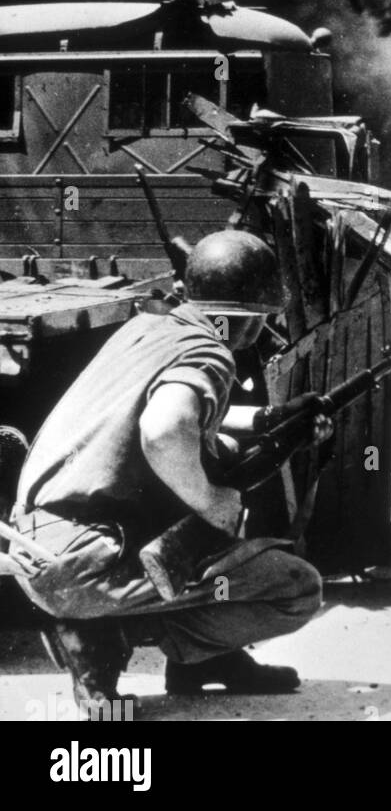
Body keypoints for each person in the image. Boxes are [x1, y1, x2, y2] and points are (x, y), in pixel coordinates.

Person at [9, 229, 326, 711]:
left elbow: (168, 416)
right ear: (243, 321)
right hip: (86, 561)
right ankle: (105, 632)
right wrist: (210, 500)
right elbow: (164, 428)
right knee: (296, 588)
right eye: (260, 319)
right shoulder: (210, 351)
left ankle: (194, 656)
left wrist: (269, 420)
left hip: (38, 544)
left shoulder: (149, 328)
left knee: (213, 487)